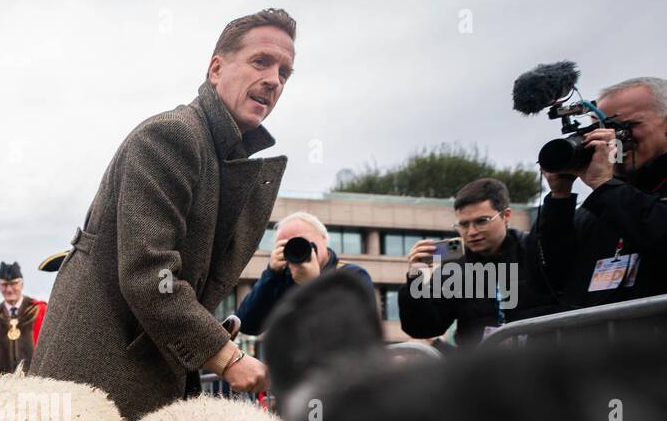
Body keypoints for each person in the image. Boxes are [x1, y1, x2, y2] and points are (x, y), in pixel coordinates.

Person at [30, 9, 293, 421]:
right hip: (96, 385)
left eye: (285, 72)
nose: (274, 80)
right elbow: (149, 273)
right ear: (216, 68)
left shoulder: (215, 152)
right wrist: (227, 357)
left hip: (124, 387)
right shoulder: (172, 135)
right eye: (261, 61)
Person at [535, 76, 667, 309]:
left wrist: (605, 186)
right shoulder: (600, 203)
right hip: (595, 342)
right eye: (603, 129)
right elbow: (551, 279)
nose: (614, 139)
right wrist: (560, 199)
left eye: (627, 126)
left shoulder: (608, 194)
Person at [398, 178, 557, 348]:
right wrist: (416, 278)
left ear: (506, 216)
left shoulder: (535, 252)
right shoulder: (454, 268)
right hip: (480, 370)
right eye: (463, 224)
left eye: (481, 221)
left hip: (542, 366)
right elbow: (424, 328)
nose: (472, 232)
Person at [236, 212, 375, 335]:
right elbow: (247, 325)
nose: (297, 249)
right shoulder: (281, 279)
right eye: (287, 246)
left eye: (302, 242)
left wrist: (312, 284)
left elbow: (353, 330)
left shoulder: (351, 276)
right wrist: (271, 274)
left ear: (324, 238)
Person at [0, 262, 47, 377]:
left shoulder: (39, 311)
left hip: (36, 384)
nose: (9, 289)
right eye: (4, 284)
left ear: (22, 283)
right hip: (3, 388)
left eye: (14, 284)